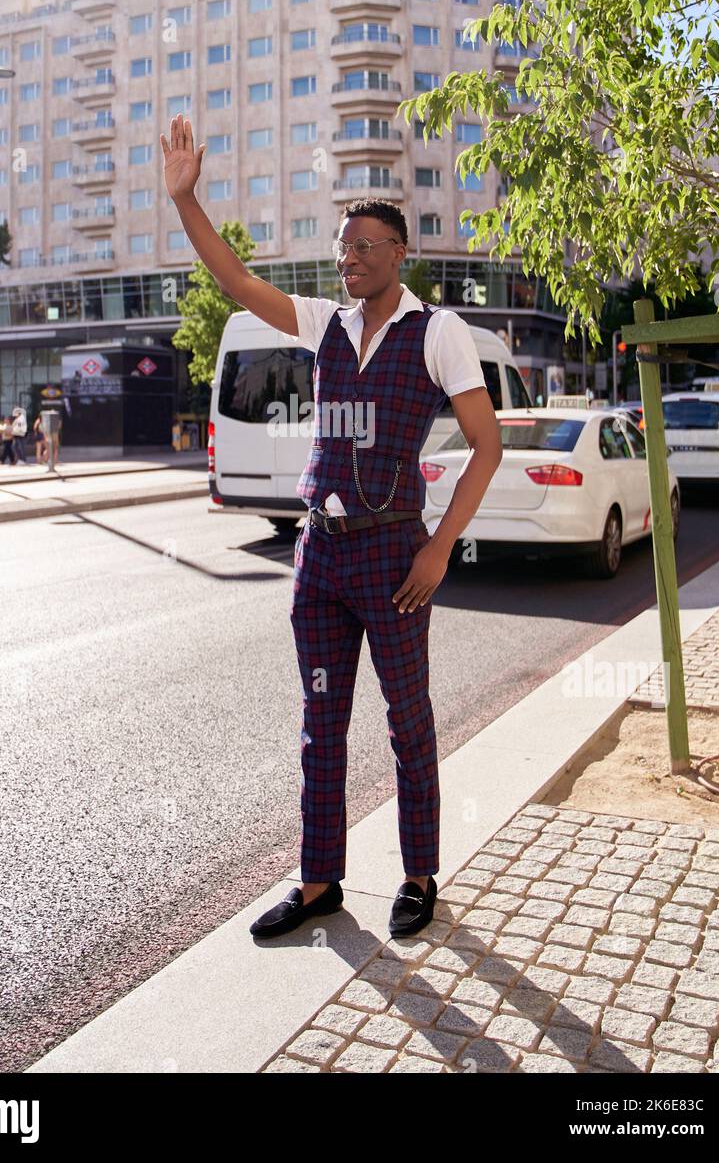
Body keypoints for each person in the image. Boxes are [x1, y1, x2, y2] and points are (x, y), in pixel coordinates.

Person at [160, 114, 503, 941]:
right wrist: (185, 200)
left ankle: (419, 874)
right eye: (342, 247)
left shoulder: (438, 332)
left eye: (362, 248)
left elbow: (485, 448)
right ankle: (320, 883)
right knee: (320, 724)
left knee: (408, 721)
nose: (346, 259)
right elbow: (240, 285)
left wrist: (438, 547)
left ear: (398, 254)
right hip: (320, 553)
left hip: (393, 553)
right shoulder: (326, 325)